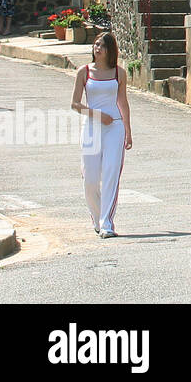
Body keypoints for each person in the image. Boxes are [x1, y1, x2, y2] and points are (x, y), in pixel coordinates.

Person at [71, 32, 132, 238]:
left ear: (110, 50)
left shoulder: (119, 73)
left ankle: (107, 223)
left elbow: (123, 102)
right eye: (96, 44)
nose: (98, 48)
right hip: (91, 127)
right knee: (90, 178)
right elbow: (75, 104)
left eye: (103, 46)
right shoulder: (84, 71)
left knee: (111, 173)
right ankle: (97, 217)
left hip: (115, 127)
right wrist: (97, 115)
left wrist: (128, 131)